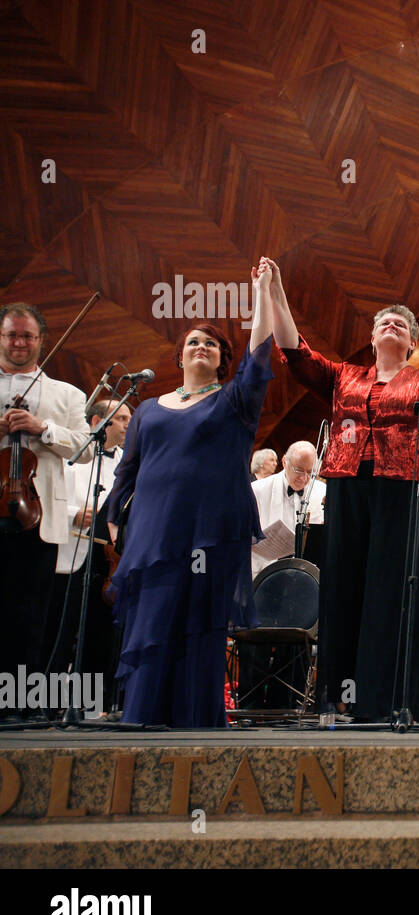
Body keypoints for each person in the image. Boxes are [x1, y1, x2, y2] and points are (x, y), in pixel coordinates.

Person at [271, 259, 419, 723]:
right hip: (349, 487)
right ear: (372, 338)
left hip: (409, 490)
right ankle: (341, 699)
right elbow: (295, 351)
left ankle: (389, 700)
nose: (392, 324)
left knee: (396, 591)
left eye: (402, 324)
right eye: (384, 321)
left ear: (410, 343)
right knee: (344, 587)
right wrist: (277, 292)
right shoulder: (345, 376)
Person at [104, 268, 275, 727]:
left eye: (212, 343)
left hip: (210, 531)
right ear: (180, 355)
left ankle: (195, 727)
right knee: (152, 623)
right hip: (153, 532)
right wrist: (116, 518)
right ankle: (142, 721)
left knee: (199, 625)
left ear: (223, 360)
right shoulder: (146, 409)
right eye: (193, 341)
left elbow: (259, 356)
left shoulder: (234, 401)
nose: (201, 346)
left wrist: (261, 293)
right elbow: (128, 468)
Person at [0, 302, 92, 713]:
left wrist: (42, 428)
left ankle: (22, 708)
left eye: (27, 336)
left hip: (39, 518)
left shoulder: (67, 394)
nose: (19, 343)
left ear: (41, 340)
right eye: (11, 335)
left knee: (31, 616)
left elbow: (85, 449)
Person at [43, 400, 131, 694]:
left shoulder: (126, 464)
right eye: (120, 418)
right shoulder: (72, 458)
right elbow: (48, 495)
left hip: (108, 560)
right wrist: (73, 514)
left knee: (99, 632)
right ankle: (47, 703)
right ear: (97, 421)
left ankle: (92, 704)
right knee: (60, 631)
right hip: (71, 552)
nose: (127, 423)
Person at [249, 439, 324, 576]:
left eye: (310, 472)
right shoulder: (257, 490)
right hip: (263, 573)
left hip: (307, 575)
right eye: (299, 470)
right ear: (284, 462)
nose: (304, 478)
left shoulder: (322, 492)